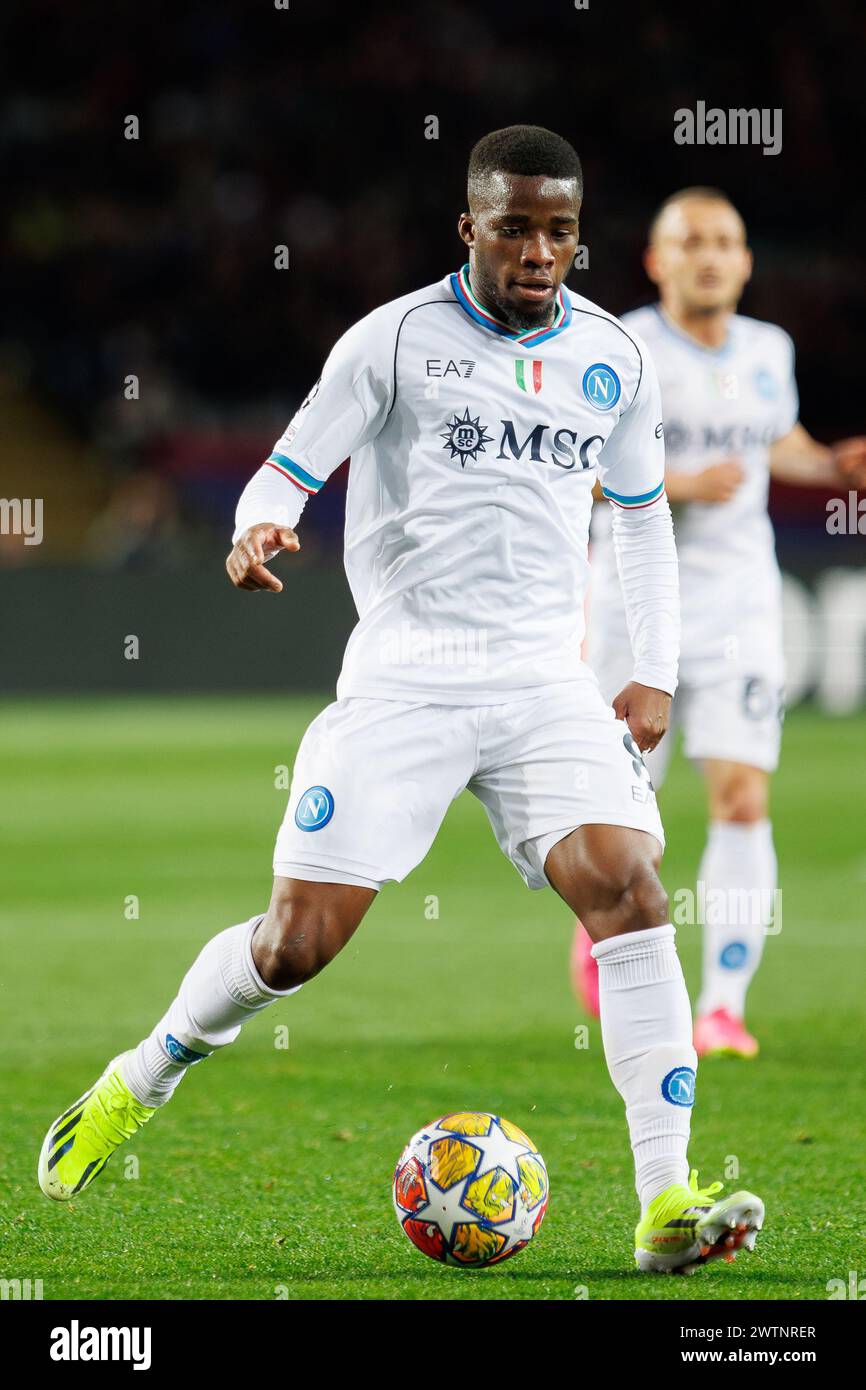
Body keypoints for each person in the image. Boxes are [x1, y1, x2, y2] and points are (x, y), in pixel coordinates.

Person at [39, 131, 763, 1274]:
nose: (538, 250)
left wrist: (652, 668)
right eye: (514, 225)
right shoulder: (392, 341)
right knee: (295, 945)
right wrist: (255, 527)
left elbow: (638, 518)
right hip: (405, 678)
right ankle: (146, 1072)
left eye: (559, 230)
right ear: (465, 226)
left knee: (627, 893)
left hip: (541, 679)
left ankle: (665, 1198)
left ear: (579, 237)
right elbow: (288, 467)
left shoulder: (613, 358)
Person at [572, 188, 866, 1058]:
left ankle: (723, 1006)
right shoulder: (618, 347)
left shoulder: (768, 351)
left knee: (743, 796)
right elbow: (567, 466)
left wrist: (832, 462)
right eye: (690, 241)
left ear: (744, 261)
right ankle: (598, 929)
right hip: (633, 600)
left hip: (741, 600)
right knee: (626, 810)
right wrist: (670, 486)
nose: (710, 255)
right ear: (658, 261)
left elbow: (773, 441)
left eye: (726, 241)